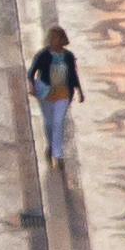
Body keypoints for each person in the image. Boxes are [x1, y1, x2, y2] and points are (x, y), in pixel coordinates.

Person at [28, 27, 84, 171]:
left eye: (58, 39)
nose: (55, 42)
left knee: (58, 122)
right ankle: (51, 146)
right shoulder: (43, 55)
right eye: (53, 39)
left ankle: (58, 154)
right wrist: (32, 86)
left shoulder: (68, 56)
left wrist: (79, 91)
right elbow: (31, 72)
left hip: (63, 93)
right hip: (46, 93)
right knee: (49, 123)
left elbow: (73, 75)